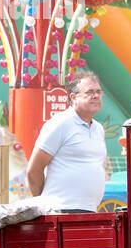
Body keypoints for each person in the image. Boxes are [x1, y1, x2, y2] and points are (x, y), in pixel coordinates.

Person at [27, 74, 108, 212]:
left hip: (90, 210)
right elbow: (34, 170)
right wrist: (44, 206)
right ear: (73, 97)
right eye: (89, 92)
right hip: (60, 210)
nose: (95, 96)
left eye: (98, 92)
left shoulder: (98, 129)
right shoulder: (60, 123)